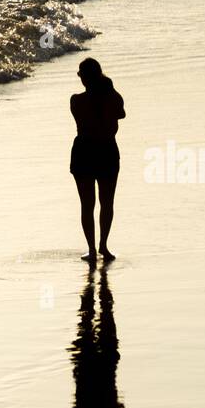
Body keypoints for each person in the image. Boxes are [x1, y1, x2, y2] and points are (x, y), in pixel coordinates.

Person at [69, 57, 125, 262]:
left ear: (84, 78)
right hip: (106, 150)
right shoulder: (112, 98)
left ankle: (92, 249)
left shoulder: (76, 100)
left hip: (84, 151)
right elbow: (121, 114)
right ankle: (103, 246)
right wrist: (108, 87)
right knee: (106, 202)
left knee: (87, 204)